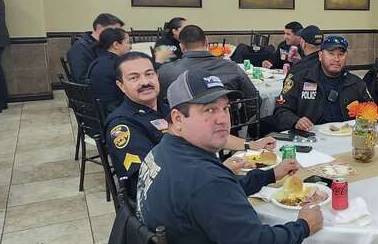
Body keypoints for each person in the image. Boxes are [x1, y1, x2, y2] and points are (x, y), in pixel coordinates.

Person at [136, 70, 338, 244]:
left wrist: (268, 175)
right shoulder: (205, 180)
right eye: (208, 110)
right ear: (177, 118)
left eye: (225, 108)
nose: (222, 119)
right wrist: (303, 226)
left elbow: (211, 197)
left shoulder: (163, 151)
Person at [106, 53, 276, 201]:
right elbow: (150, 179)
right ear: (121, 85)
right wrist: (220, 171)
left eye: (149, 74)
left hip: (200, 182)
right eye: (134, 78)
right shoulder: (123, 125)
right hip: (172, 202)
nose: (145, 82)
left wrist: (250, 145)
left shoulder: (166, 106)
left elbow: (209, 132)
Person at [158, 25, 260, 119]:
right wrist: (237, 120)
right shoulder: (231, 67)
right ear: (206, 42)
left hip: (185, 132)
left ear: (181, 47)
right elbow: (254, 100)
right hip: (225, 128)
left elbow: (160, 106)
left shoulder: (165, 72)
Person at [273, 35, 372, 132]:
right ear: (320, 56)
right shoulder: (300, 80)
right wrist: (296, 121)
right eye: (331, 53)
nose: (336, 59)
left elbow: (372, 111)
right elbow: (280, 110)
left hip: (346, 138)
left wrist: (366, 118)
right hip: (310, 138)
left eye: (341, 54)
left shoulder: (356, 83)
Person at [67, 13, 124, 82]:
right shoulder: (80, 47)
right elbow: (81, 78)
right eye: (113, 31)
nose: (117, 35)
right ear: (99, 27)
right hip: (93, 88)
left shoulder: (104, 43)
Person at [87, 27, 131, 114]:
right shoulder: (117, 65)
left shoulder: (96, 61)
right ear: (116, 45)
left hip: (98, 110)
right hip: (114, 111)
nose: (130, 46)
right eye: (128, 42)